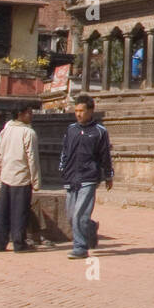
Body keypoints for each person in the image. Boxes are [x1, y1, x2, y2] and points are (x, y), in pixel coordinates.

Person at [58, 95, 113, 259]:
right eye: (76, 111)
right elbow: (64, 151)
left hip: (88, 177)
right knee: (70, 215)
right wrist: (62, 169)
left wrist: (108, 175)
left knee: (79, 214)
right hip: (71, 177)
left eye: (82, 111)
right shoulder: (71, 129)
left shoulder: (100, 132)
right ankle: (90, 228)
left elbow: (105, 155)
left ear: (90, 111)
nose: (78, 114)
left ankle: (80, 247)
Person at [0, 103, 42, 253]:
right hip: (21, 178)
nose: (31, 115)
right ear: (21, 114)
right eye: (29, 113)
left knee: (4, 212)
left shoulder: (4, 132)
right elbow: (32, 159)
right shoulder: (28, 133)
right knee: (20, 213)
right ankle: (19, 244)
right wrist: (36, 180)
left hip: (6, 176)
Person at [0, 137, 47, 247]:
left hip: (11, 181)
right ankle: (29, 236)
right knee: (25, 201)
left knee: (32, 200)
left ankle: (37, 234)